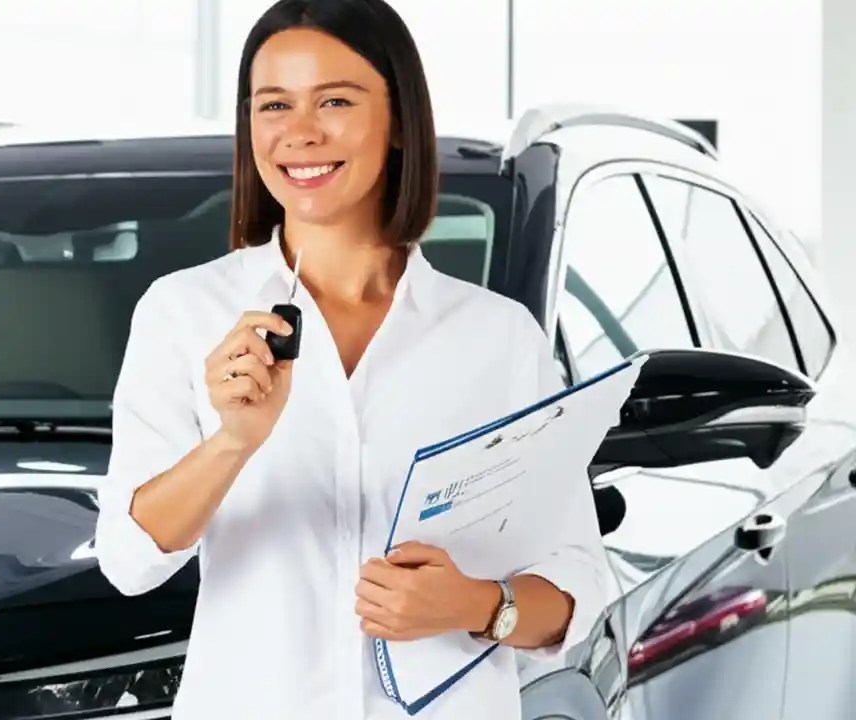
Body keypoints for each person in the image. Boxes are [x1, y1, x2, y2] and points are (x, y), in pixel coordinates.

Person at [95, 0, 608, 718]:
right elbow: (129, 559)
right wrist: (233, 443)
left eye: (335, 100)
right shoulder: (182, 314)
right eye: (274, 104)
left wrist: (476, 604)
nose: (300, 133)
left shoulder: (498, 338)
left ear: (398, 120)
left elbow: (575, 578)